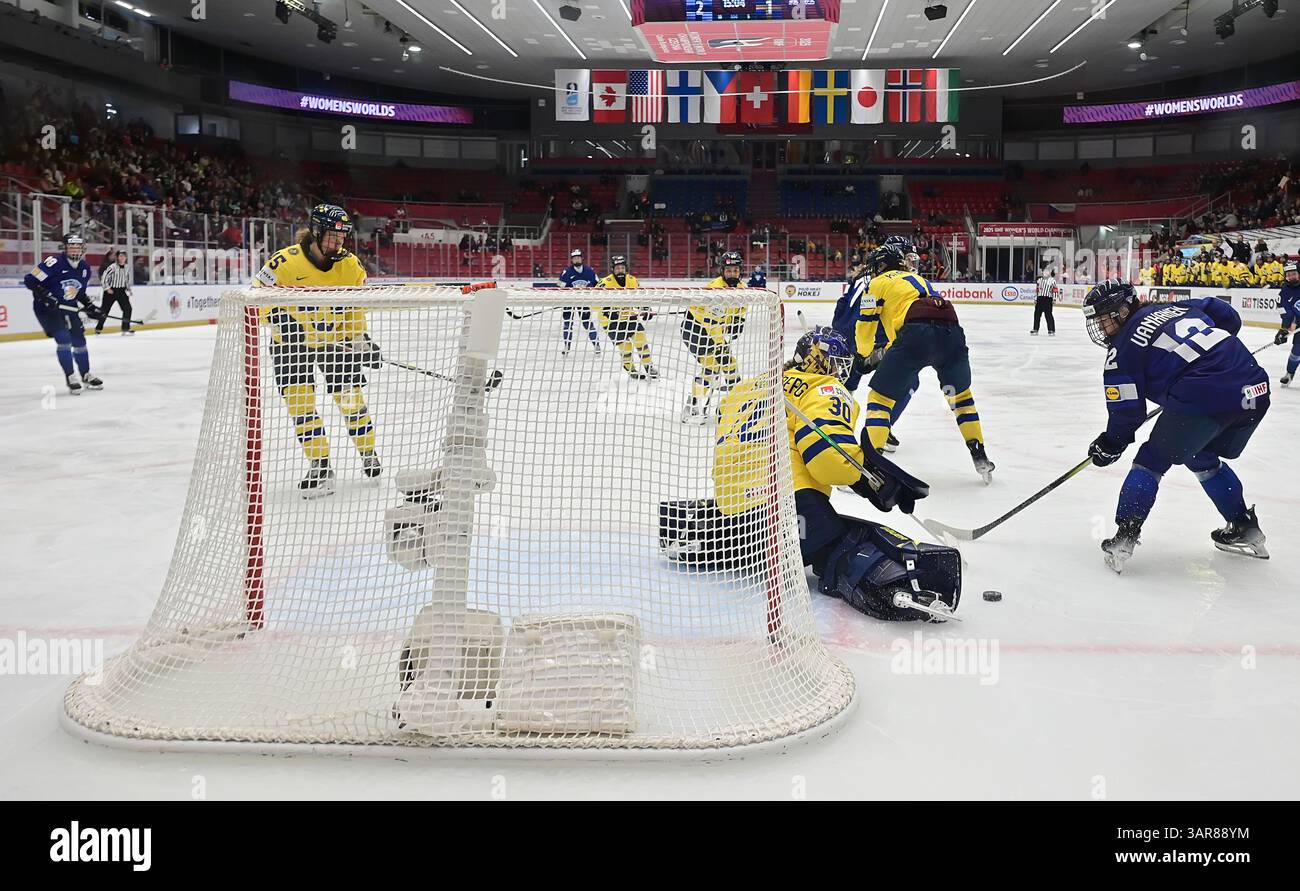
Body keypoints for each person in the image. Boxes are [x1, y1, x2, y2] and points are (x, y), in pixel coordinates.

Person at [661, 327, 959, 622]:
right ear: (824, 361)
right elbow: (827, 456)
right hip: (786, 507)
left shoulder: (744, 389)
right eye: (839, 364)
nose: (840, 373)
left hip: (733, 507)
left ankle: (703, 533)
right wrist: (871, 481)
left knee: (790, 524)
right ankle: (909, 589)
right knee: (841, 540)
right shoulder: (823, 388)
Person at [1083, 279, 1271, 572]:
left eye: (1103, 319)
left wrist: (1110, 444)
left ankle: (1125, 538)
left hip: (1204, 397)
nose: (1100, 328)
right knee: (1200, 453)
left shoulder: (1121, 352)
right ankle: (1244, 527)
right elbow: (1227, 315)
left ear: (1122, 310)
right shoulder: (1174, 307)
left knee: (1151, 460)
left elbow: (1127, 415)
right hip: (1254, 389)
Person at [253, 203, 381, 498]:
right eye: (332, 236)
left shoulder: (350, 266)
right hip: (290, 348)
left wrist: (360, 342)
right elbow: (256, 296)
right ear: (316, 231)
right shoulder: (284, 262)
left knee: (350, 401)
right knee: (301, 405)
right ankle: (320, 466)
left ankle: (368, 452)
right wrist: (281, 320)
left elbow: (354, 311)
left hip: (333, 344)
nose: (338, 243)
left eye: (342, 237)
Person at [855, 243, 994, 482]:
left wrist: (862, 355)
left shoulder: (877, 283)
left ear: (881, 265)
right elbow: (906, 328)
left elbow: (866, 325)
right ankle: (979, 455)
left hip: (916, 335)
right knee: (961, 399)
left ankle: (868, 468)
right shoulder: (918, 280)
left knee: (881, 400)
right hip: (950, 331)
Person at [24, 233, 104, 394]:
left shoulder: (84, 269)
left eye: (78, 246)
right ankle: (70, 376)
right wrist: (45, 295)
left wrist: (90, 306)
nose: (75, 250)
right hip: (47, 309)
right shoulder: (53, 263)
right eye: (71, 246)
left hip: (68, 306)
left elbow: (79, 293)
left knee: (79, 341)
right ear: (65, 248)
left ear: (83, 249)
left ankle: (86, 374)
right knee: (64, 340)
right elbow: (30, 280)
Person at [681, 250, 747, 423]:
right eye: (729, 270)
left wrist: (738, 321)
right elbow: (711, 322)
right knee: (713, 366)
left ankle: (735, 403)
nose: (732, 274)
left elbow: (741, 310)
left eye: (735, 270)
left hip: (715, 331)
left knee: (727, 365)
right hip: (695, 329)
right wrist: (721, 347)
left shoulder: (743, 289)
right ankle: (694, 406)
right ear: (722, 271)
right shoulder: (714, 289)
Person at [595, 255, 658, 380]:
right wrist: (608, 311)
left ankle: (648, 366)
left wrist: (645, 309)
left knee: (640, 339)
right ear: (613, 269)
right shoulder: (604, 283)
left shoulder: (632, 280)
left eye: (622, 268)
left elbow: (640, 298)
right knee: (626, 346)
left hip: (629, 316)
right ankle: (629, 368)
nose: (620, 271)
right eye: (617, 268)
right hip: (610, 322)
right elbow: (594, 304)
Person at [558, 248, 601, 356]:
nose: (577, 260)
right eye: (574, 258)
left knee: (588, 323)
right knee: (567, 324)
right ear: (572, 260)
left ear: (582, 258)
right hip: (569, 301)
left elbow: (598, 284)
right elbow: (560, 286)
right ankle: (567, 346)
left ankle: (596, 345)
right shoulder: (566, 272)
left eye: (578, 257)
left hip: (583, 301)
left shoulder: (590, 271)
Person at [95, 251, 134, 335]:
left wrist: (128, 289)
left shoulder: (127, 267)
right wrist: (107, 288)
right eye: (120, 256)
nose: (122, 258)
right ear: (117, 257)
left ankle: (125, 328)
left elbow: (126, 279)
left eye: (124, 256)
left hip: (121, 291)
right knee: (105, 310)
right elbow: (104, 278)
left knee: (127, 309)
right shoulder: (112, 267)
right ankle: (98, 328)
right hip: (111, 291)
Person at [1276, 262, 1300, 386]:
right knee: (1297, 351)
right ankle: (1290, 373)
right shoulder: (1284, 292)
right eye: (1289, 275)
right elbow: (1287, 314)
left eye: (1294, 274)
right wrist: (1284, 329)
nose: (1291, 277)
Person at [1031, 266, 1058, 336]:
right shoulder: (1039, 280)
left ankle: (1051, 330)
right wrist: (1035, 299)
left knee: (1048, 315)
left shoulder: (1052, 280)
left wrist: (1054, 299)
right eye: (1044, 271)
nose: (1045, 273)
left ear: (1049, 272)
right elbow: (1037, 290)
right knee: (1037, 315)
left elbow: (1055, 290)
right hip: (1040, 299)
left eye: (1047, 271)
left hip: (1048, 299)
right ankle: (1035, 329)